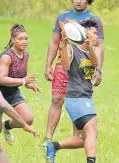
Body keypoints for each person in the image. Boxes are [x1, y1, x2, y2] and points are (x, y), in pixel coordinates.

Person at [44, 0, 104, 142]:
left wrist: (98, 70)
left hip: (83, 67)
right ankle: (48, 138)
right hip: (62, 65)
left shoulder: (95, 20)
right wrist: (48, 65)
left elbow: (99, 47)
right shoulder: (62, 17)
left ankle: (75, 137)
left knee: (77, 99)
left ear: (87, 0)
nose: (78, 1)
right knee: (56, 99)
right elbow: (54, 43)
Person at [44, 19, 99, 163]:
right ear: (84, 33)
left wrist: (90, 46)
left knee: (82, 139)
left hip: (86, 98)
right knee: (92, 130)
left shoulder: (91, 51)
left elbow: (95, 63)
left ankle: (53, 146)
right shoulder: (72, 49)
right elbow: (66, 66)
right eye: (94, 33)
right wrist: (64, 45)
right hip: (76, 97)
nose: (97, 36)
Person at [0, 23, 40, 145]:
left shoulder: (25, 55)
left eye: (26, 39)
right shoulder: (6, 57)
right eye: (20, 39)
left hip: (12, 93)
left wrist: (27, 84)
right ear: (13, 40)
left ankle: (7, 125)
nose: (24, 41)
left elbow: (20, 75)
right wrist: (23, 81)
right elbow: (1, 79)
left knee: (28, 119)